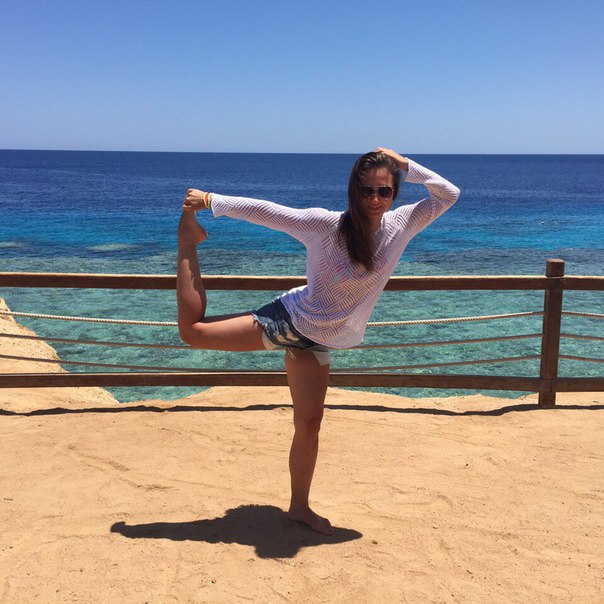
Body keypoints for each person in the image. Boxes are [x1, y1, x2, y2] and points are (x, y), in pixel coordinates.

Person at [177, 148, 460, 535]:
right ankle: (187, 240)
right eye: (366, 191)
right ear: (353, 191)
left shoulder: (401, 225)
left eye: (384, 191)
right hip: (290, 323)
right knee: (192, 333)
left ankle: (299, 507)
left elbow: (448, 193)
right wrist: (212, 200)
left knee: (309, 423)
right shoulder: (326, 226)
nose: (375, 200)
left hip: (320, 342)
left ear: (394, 193)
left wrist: (404, 164)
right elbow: (271, 213)